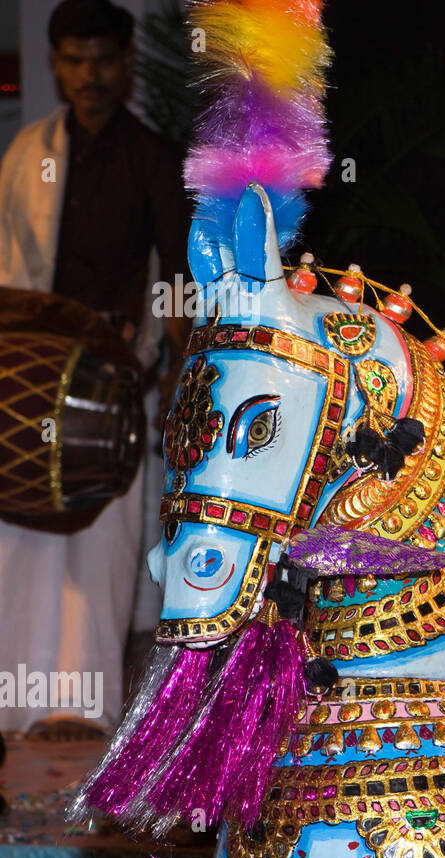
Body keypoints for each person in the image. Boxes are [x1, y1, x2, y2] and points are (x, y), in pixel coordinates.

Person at [0, 0, 190, 738]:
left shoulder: (152, 161)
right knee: (22, 550)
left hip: (114, 393)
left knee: (98, 557)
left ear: (128, 60)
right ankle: (17, 710)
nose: (91, 75)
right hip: (26, 390)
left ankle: (83, 715)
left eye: (104, 59)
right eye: (76, 60)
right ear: (56, 64)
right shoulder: (27, 155)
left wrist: (176, 361)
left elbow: (176, 275)